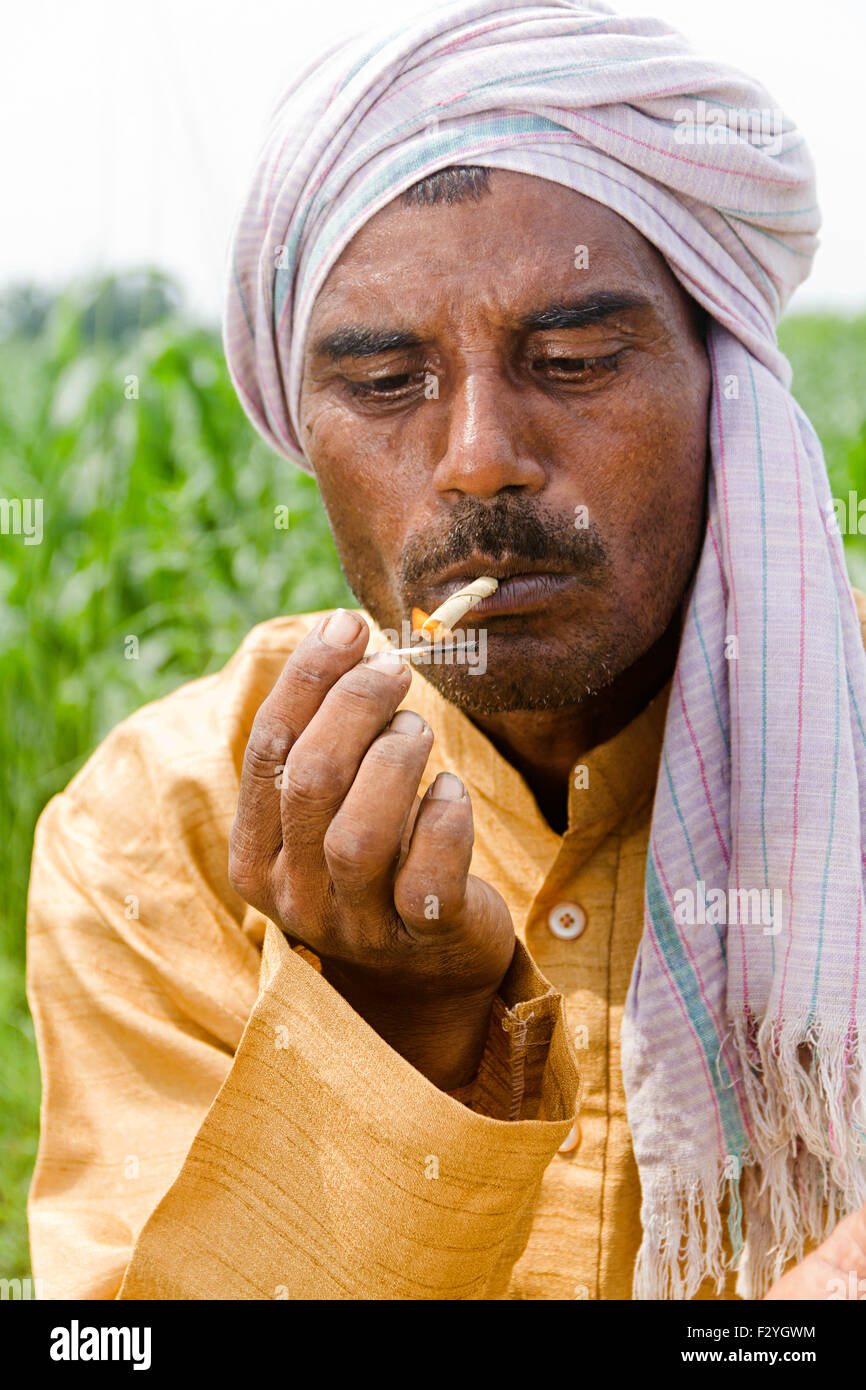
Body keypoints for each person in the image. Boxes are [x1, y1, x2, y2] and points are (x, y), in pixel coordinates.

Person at [27, 0, 866, 1301]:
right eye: (381, 383)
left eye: (575, 358)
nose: (479, 455)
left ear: (730, 381)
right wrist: (393, 1042)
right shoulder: (167, 831)